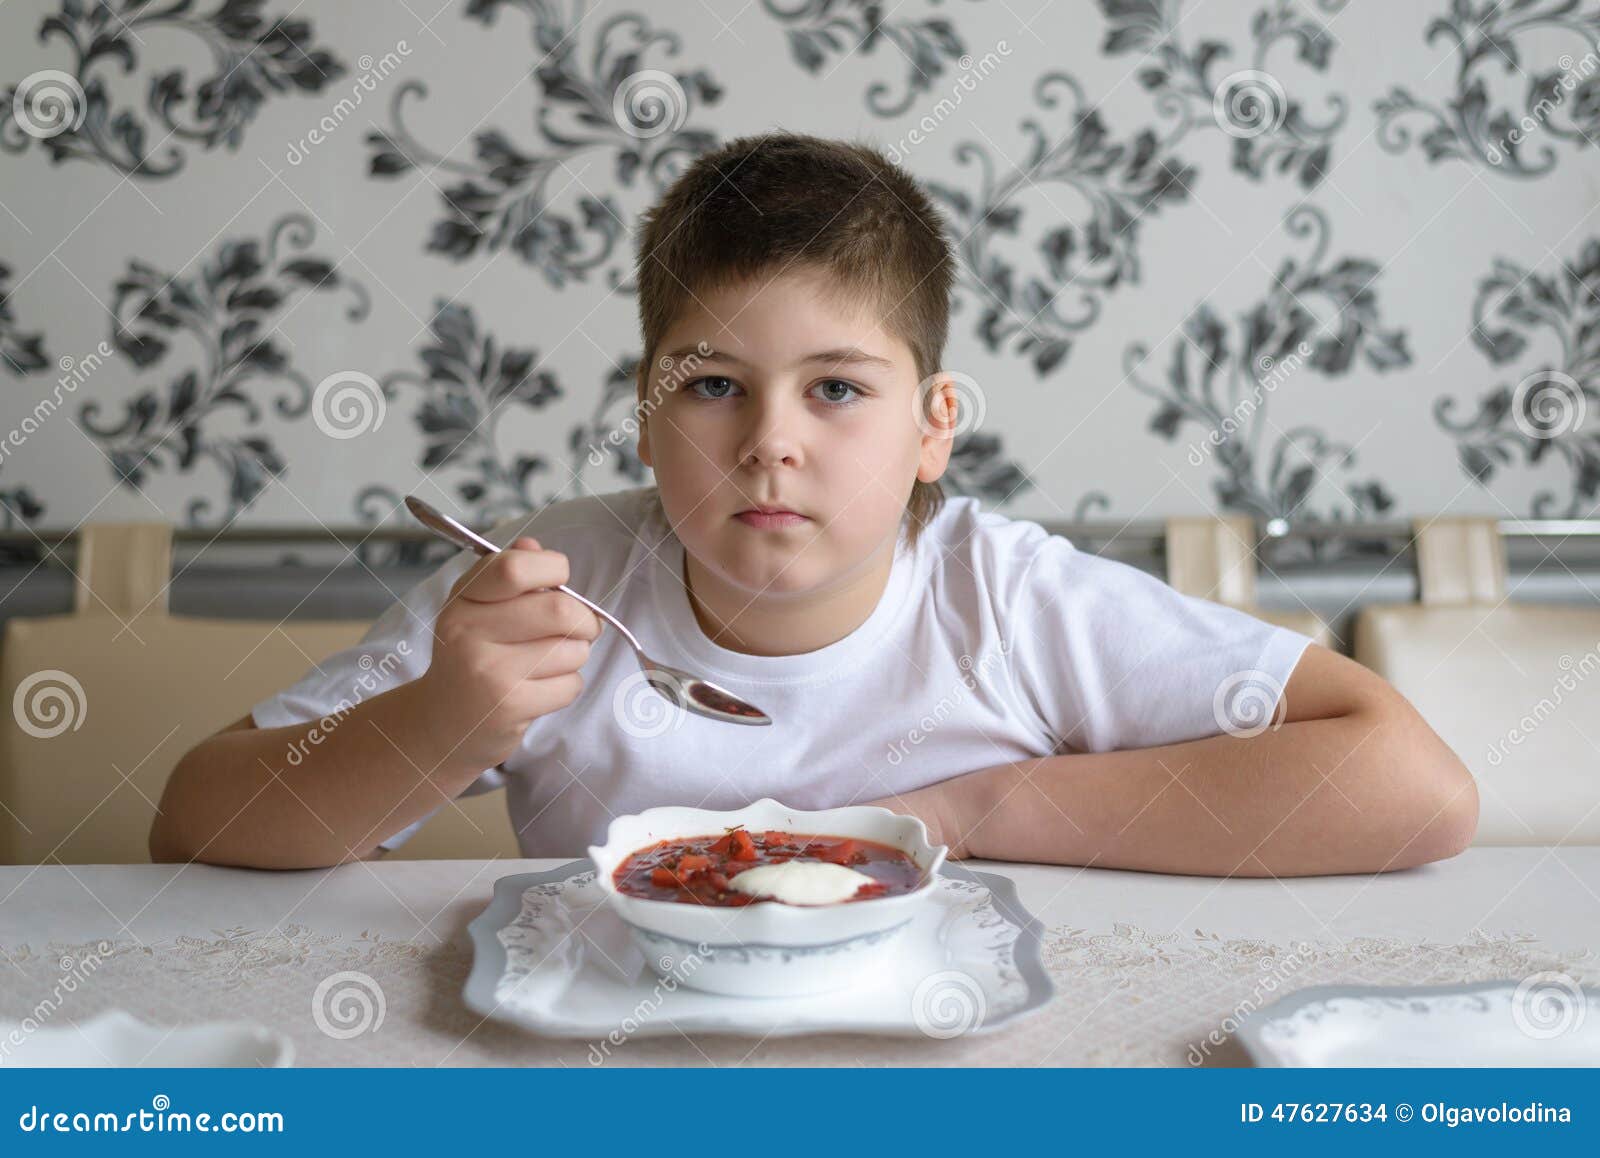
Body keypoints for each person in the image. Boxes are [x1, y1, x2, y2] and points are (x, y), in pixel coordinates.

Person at [151, 133, 1477, 874]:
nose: (769, 445)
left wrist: (973, 811)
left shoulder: (1004, 599)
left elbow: (1413, 786)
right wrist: (442, 719)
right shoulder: (555, 582)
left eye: (838, 389)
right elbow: (195, 821)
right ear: (644, 412)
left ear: (931, 429)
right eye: (714, 384)